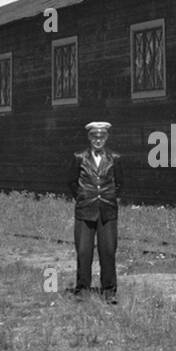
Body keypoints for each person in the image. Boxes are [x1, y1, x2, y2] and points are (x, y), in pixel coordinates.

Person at [67, 121, 122, 303]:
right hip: (85, 210)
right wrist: (84, 197)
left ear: (106, 137)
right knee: (84, 251)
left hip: (107, 211)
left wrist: (108, 198)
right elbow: (72, 182)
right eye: (94, 137)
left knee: (108, 251)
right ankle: (82, 289)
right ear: (89, 138)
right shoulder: (79, 157)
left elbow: (120, 183)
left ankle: (109, 291)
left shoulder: (115, 157)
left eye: (102, 137)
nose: (98, 140)